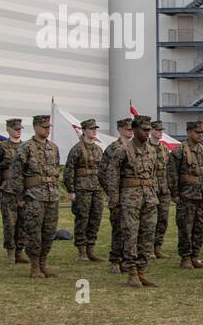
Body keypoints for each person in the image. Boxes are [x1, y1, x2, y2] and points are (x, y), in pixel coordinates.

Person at [105, 113, 161, 288]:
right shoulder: (122, 151)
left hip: (149, 199)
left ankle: (142, 271)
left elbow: (155, 175)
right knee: (130, 235)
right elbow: (112, 175)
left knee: (148, 235)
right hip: (130, 199)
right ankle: (132, 273)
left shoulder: (152, 150)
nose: (147, 133)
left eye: (148, 130)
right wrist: (114, 200)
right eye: (144, 130)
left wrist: (156, 193)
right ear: (135, 130)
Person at [15, 114, 62, 278]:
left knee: (49, 232)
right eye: (44, 127)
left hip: (52, 196)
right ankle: (34, 266)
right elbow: (17, 174)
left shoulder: (54, 148)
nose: (47, 130)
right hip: (34, 196)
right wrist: (20, 197)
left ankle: (43, 264)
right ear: (35, 127)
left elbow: (56, 170)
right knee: (34, 232)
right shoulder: (26, 147)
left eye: (49, 127)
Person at [168, 119, 203, 269]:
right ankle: (185, 257)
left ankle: (195, 256)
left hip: (202, 196)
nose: (200, 135)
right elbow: (172, 174)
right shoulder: (179, 151)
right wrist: (175, 194)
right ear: (189, 132)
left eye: (201, 133)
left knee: (200, 227)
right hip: (186, 196)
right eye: (197, 132)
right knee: (185, 228)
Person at [63, 117, 105, 261]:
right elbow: (69, 170)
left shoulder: (99, 149)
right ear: (84, 131)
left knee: (95, 218)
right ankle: (81, 251)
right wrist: (71, 190)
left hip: (97, 189)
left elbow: (103, 170)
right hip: (82, 189)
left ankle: (90, 249)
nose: (94, 131)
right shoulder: (77, 149)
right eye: (91, 129)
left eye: (95, 129)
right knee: (82, 218)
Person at [0, 117, 27, 264]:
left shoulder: (26, 146)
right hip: (8, 189)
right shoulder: (1, 147)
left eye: (19, 129)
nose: (18, 132)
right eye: (15, 129)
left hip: (23, 190)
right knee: (10, 223)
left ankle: (20, 251)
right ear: (8, 130)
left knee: (23, 223)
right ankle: (10, 251)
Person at [99, 117, 133, 272]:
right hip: (118, 196)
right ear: (120, 129)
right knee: (118, 229)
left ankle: (128, 261)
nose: (130, 131)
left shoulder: (135, 147)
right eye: (127, 129)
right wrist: (112, 192)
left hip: (133, 197)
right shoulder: (112, 148)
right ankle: (115, 261)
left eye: (132, 129)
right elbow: (102, 173)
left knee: (131, 230)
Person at [149, 120, 172, 259]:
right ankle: (149, 248)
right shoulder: (145, 147)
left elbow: (168, 167)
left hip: (163, 188)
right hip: (151, 187)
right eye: (157, 130)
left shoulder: (164, 148)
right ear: (151, 131)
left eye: (161, 130)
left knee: (163, 219)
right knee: (150, 220)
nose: (160, 132)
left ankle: (158, 247)